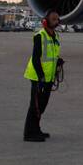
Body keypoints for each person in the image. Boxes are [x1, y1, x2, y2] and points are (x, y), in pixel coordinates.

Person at [23, 11, 63, 142]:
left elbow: (52, 55)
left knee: (42, 105)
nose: (56, 21)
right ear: (46, 21)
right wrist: (40, 77)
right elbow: (35, 59)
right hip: (37, 77)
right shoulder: (40, 36)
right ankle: (29, 134)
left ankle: (36, 129)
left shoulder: (55, 36)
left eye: (57, 19)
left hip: (49, 77)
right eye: (53, 19)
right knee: (34, 106)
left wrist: (58, 62)